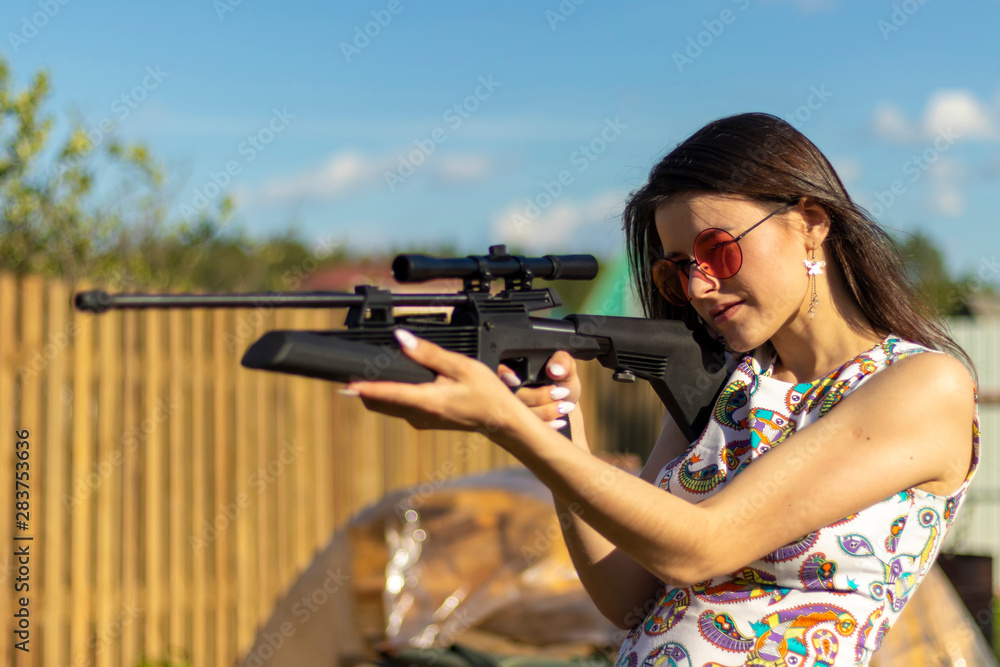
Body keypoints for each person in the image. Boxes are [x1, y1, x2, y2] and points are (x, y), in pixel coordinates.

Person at [342, 112, 980, 666]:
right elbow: (626, 598)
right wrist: (559, 435)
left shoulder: (920, 385)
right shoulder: (728, 387)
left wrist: (511, 429)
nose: (699, 287)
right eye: (679, 269)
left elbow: (703, 545)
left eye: (719, 251)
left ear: (810, 223)